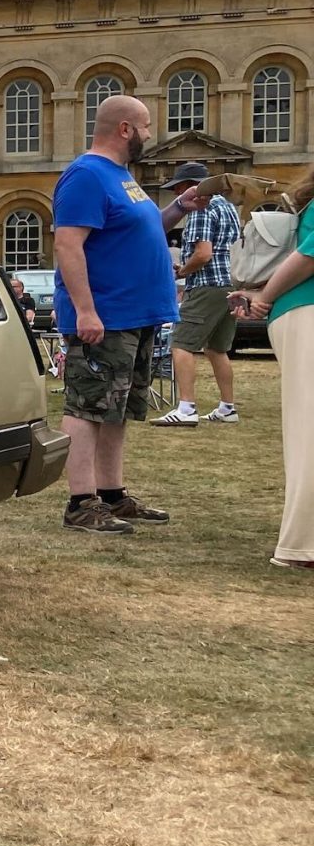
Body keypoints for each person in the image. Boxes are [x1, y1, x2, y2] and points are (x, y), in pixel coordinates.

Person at [52, 95, 198, 535]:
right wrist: (85, 311)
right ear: (125, 129)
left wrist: (179, 208)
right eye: (146, 126)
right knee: (87, 407)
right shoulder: (87, 175)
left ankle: (112, 494)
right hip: (106, 317)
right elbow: (67, 244)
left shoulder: (122, 177)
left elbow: (139, 229)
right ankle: (81, 503)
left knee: (115, 410)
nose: (151, 134)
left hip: (135, 316)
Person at [230, 166, 314, 570]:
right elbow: (308, 256)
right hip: (304, 312)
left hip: (299, 311)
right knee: (308, 429)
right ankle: (301, 544)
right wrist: (264, 297)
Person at [153, 160, 241, 426]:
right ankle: (227, 408)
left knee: (180, 343)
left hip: (206, 285)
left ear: (191, 186)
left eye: (178, 188)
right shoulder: (228, 207)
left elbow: (203, 254)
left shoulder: (202, 207)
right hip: (230, 285)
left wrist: (182, 271)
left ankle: (186, 408)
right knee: (216, 349)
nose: (176, 194)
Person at [8, 274, 44, 370]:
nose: (12, 288)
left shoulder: (28, 300)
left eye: (14, 286)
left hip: (21, 327)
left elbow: (29, 317)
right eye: (10, 286)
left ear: (21, 288)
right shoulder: (6, 300)